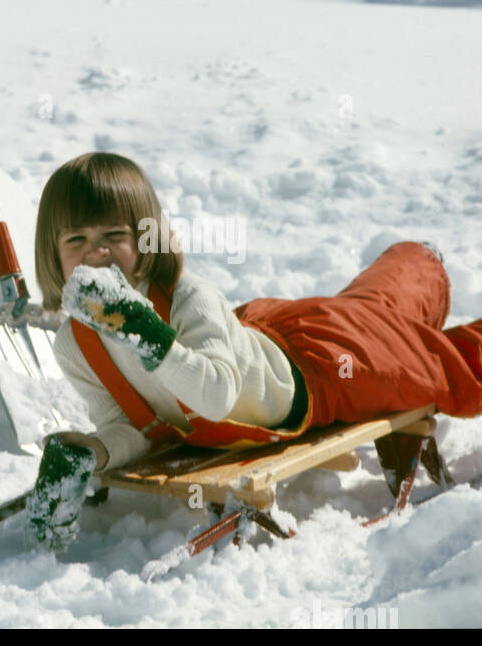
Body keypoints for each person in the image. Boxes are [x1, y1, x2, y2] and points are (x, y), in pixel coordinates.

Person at [25, 151, 482, 551]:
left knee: (446, 367)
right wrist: (93, 451)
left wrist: (148, 335)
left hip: (323, 368)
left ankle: (421, 261)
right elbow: (132, 426)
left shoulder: (186, 298)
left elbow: (217, 397)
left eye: (113, 236)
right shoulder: (75, 344)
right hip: (256, 332)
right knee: (370, 313)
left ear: (146, 239)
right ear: (54, 254)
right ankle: (421, 258)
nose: (97, 254)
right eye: (76, 241)